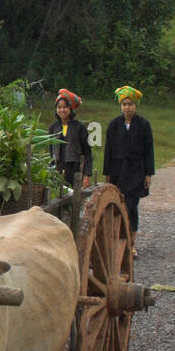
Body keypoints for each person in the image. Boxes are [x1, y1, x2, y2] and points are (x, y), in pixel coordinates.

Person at [103, 86, 154, 253]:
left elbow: (149, 150)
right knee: (118, 206)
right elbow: (108, 150)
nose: (127, 107)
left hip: (136, 171)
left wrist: (148, 173)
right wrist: (108, 173)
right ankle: (118, 242)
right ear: (120, 106)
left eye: (130, 104)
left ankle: (131, 244)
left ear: (136, 105)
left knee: (132, 206)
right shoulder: (113, 125)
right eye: (124, 104)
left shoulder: (144, 125)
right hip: (118, 172)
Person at [49, 88, 92, 189]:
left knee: (75, 200)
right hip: (57, 172)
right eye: (59, 107)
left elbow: (87, 153)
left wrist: (86, 176)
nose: (62, 110)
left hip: (74, 171)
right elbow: (51, 153)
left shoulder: (79, 127)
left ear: (71, 109)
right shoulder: (53, 128)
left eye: (65, 107)